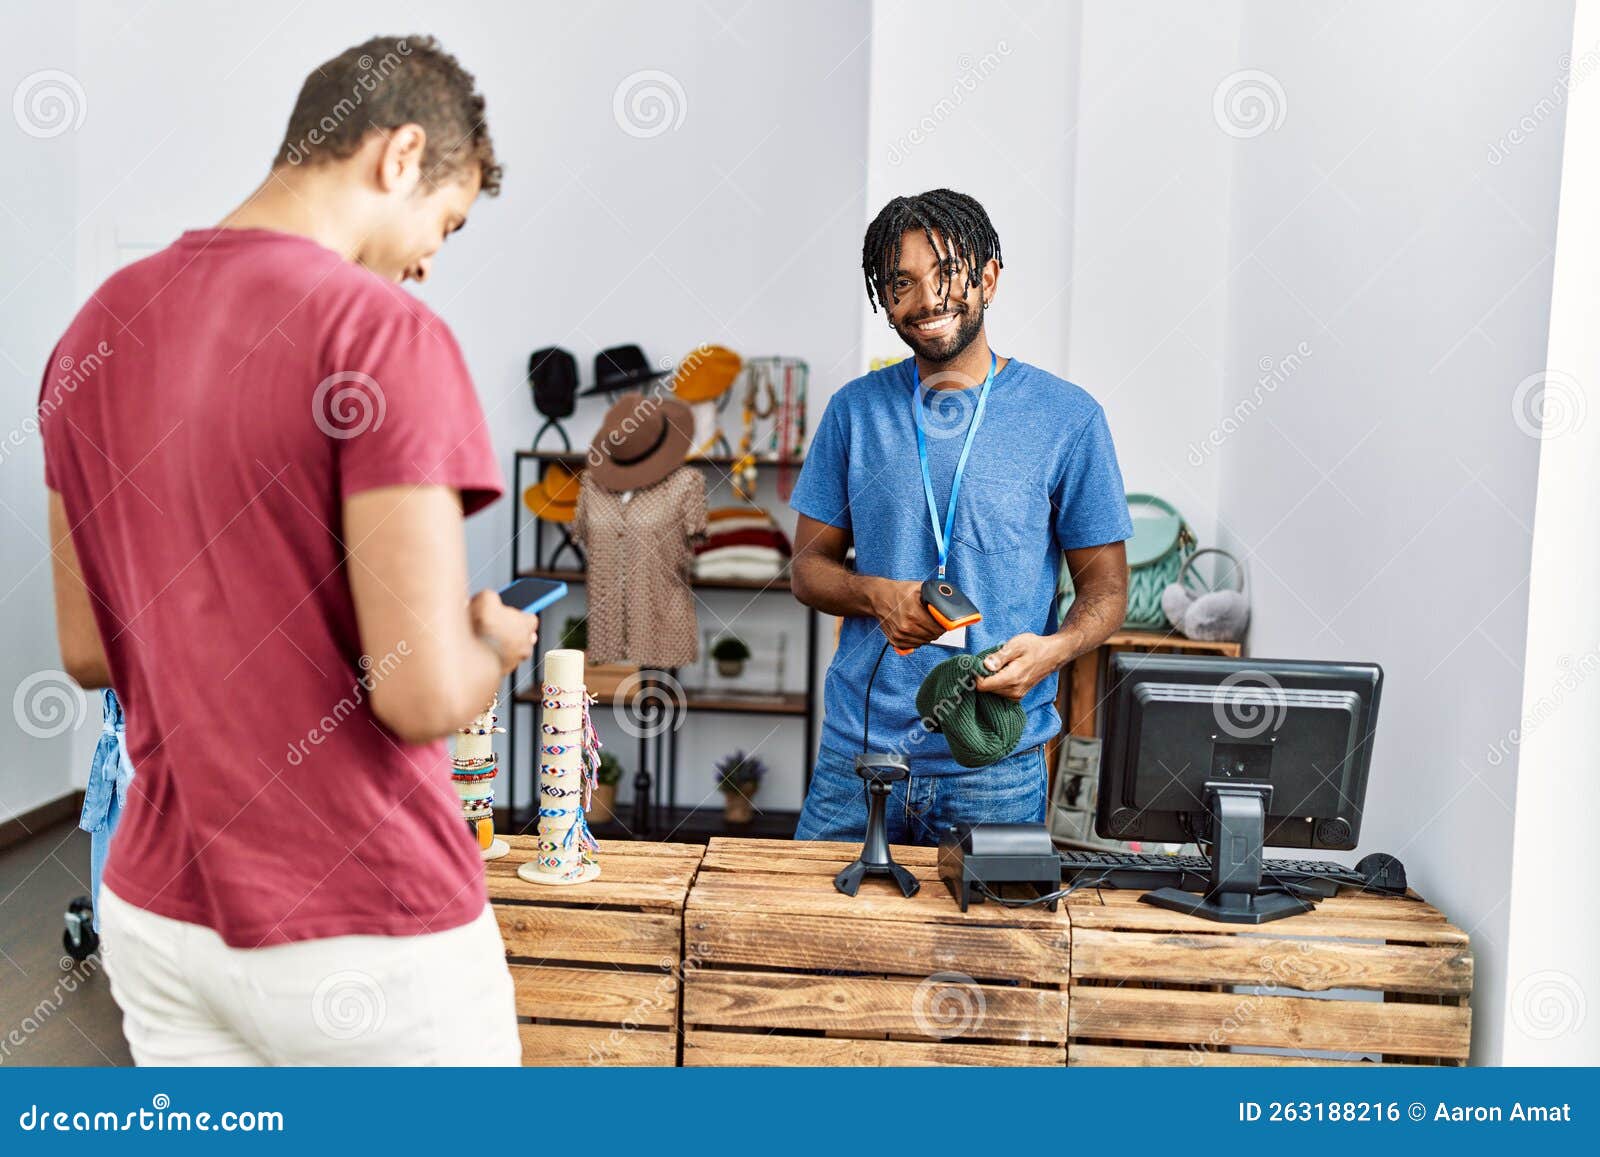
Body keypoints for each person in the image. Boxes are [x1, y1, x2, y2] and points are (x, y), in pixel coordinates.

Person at [41, 36, 535, 1065]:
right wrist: (488, 638)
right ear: (399, 155)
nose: (432, 258)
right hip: (367, 919)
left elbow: (89, 653)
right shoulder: (380, 333)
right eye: (445, 222)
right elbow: (416, 692)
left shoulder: (95, 327)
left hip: (160, 911)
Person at [789, 189, 1132, 844]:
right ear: (885, 300)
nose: (927, 299)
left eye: (946, 273)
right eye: (902, 283)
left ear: (989, 277)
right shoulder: (853, 412)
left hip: (994, 761)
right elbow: (807, 571)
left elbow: (1107, 590)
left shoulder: (1067, 418)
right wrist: (877, 594)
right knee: (819, 944)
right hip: (859, 757)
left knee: (985, 947)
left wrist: (1054, 651)